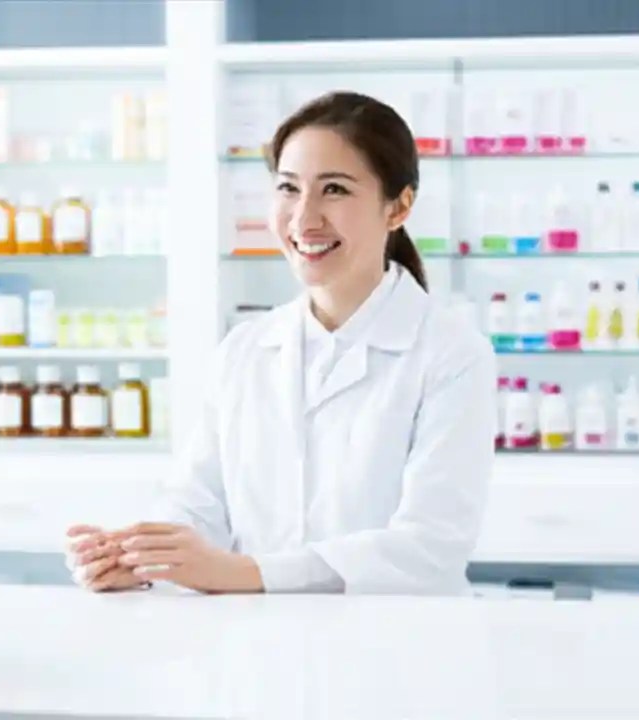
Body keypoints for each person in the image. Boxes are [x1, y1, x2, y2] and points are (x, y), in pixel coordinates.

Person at [67, 91, 495, 596]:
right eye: (288, 188)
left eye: (334, 189)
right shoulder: (245, 349)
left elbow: (429, 548)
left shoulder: (450, 352)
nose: (304, 218)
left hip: (394, 648)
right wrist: (141, 561)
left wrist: (246, 573)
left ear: (398, 207)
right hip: (260, 643)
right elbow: (198, 502)